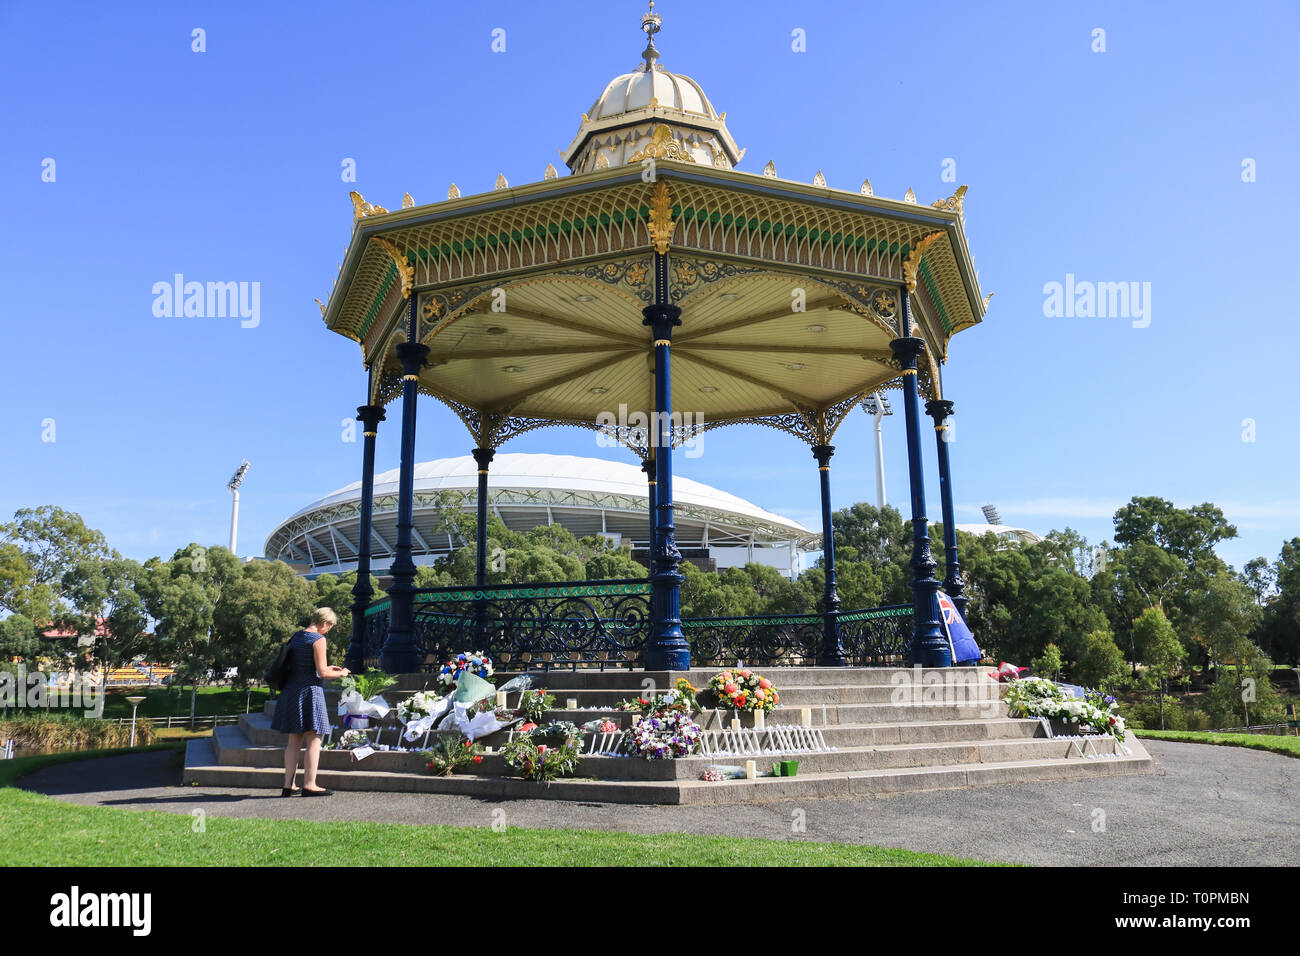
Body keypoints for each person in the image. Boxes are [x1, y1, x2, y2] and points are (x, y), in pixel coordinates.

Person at [272, 607, 349, 796]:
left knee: (293, 741)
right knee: (314, 739)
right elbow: (322, 673)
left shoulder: (297, 636)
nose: (329, 630)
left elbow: (306, 665)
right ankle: (310, 784)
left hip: (291, 691)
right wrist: (341, 673)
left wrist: (327, 667)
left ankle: (288, 785)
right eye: (330, 626)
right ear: (325, 623)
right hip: (310, 692)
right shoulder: (318, 639)